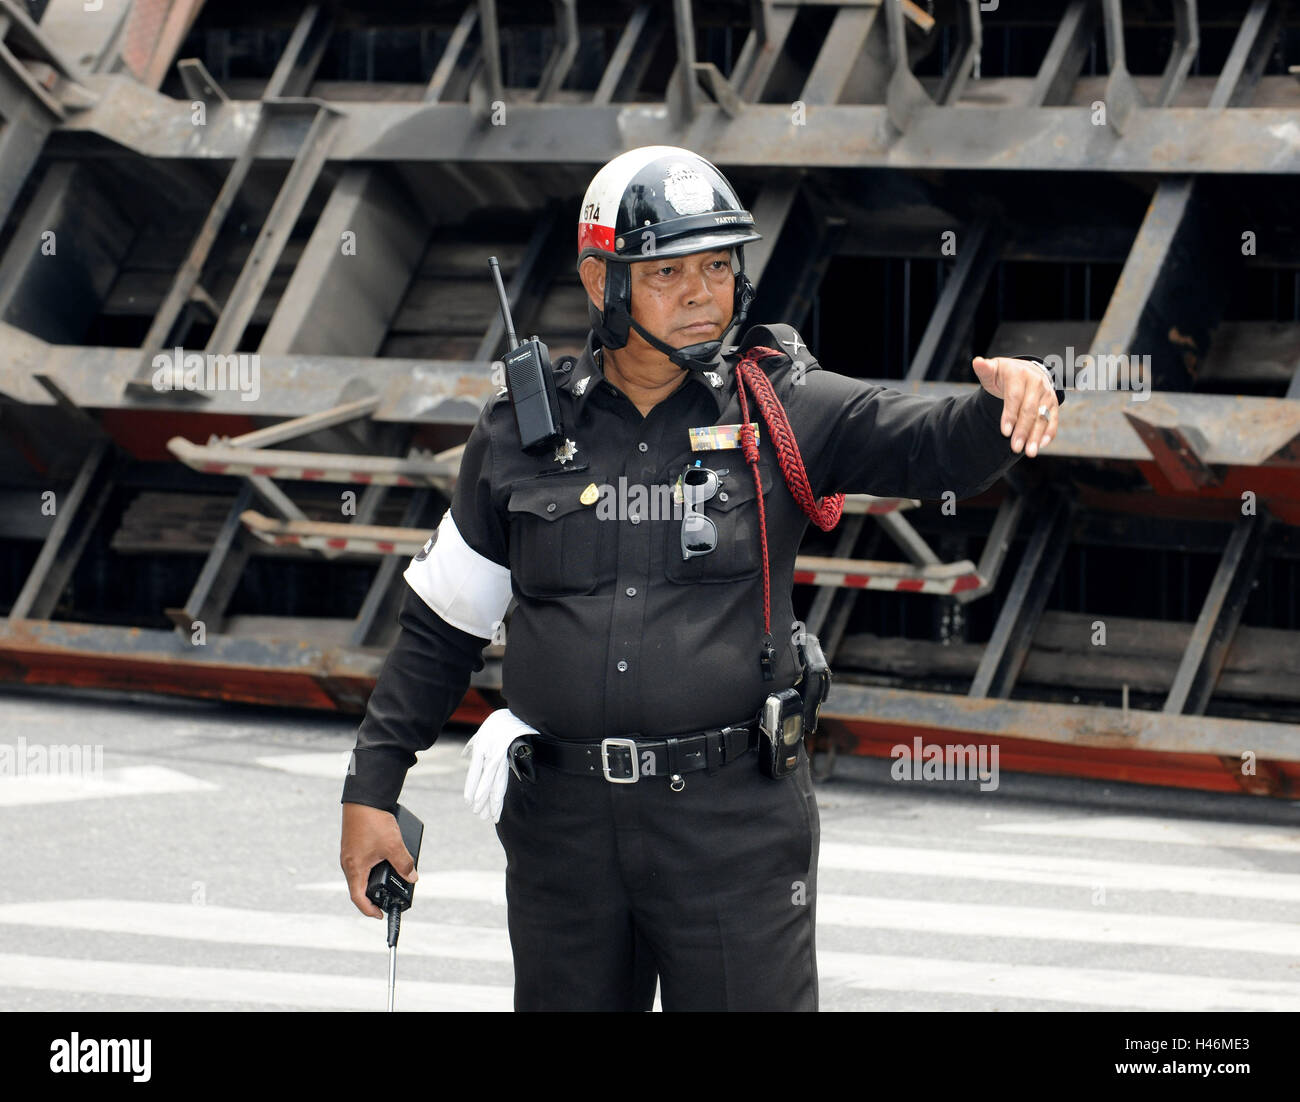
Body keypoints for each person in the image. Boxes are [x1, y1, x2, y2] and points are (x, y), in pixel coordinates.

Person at [339, 145, 1063, 1011]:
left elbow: (928, 444)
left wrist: (1002, 403)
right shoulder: (520, 435)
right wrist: (371, 789)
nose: (700, 293)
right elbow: (442, 626)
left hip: (733, 834)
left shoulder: (782, 406)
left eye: (718, 266)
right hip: (563, 837)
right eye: (667, 272)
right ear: (601, 281)